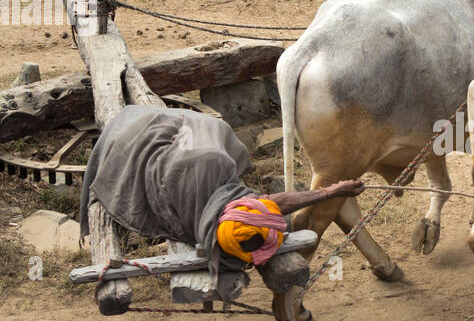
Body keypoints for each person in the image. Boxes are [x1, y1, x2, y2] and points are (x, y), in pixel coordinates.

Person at [79, 103, 363, 299]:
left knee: (211, 145)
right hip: (178, 151)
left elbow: (274, 204)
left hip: (181, 150)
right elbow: (274, 204)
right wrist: (330, 191)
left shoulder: (234, 209)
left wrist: (332, 191)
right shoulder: (224, 216)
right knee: (208, 144)